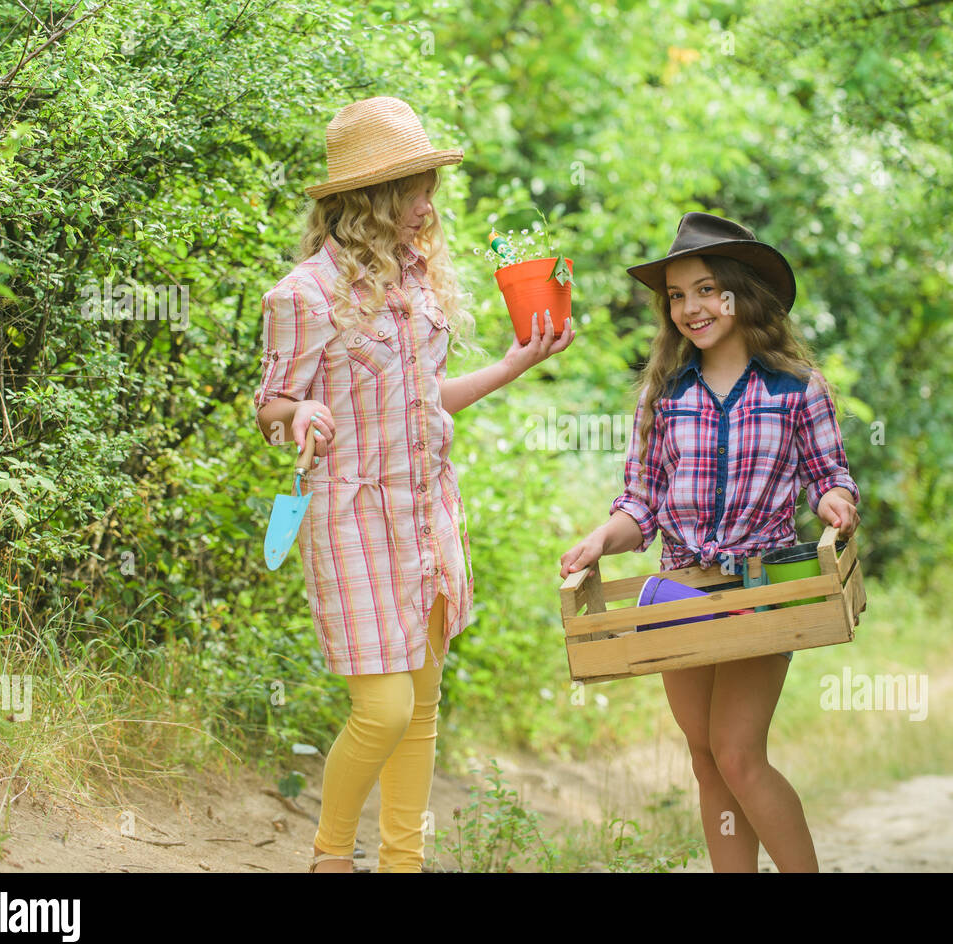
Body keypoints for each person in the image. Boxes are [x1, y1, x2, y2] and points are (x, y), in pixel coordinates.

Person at [255, 97, 574, 873]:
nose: (427, 205)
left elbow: (427, 397)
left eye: (428, 185)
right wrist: (299, 418)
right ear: (368, 199)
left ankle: (404, 864)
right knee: (385, 708)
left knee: (423, 709)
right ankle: (332, 857)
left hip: (428, 511)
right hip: (354, 514)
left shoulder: (417, 281)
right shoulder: (303, 295)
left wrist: (512, 363)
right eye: (414, 189)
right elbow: (272, 403)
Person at [558, 212, 860, 873]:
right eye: (675, 295)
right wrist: (598, 541)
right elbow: (640, 506)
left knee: (739, 752)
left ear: (741, 293)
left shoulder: (797, 391)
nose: (689, 307)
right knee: (705, 758)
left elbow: (828, 477)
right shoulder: (662, 397)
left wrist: (835, 502)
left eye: (704, 289)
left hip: (764, 585)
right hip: (679, 590)